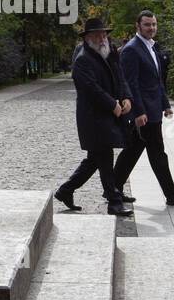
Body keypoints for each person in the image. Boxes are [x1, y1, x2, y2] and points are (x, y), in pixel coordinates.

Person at [113, 9, 174, 207]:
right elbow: (130, 84)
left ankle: (113, 188)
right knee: (157, 153)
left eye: (154, 24)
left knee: (132, 151)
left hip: (153, 110)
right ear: (138, 26)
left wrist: (166, 105)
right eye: (147, 25)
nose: (151, 28)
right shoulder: (132, 49)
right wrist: (138, 112)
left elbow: (157, 80)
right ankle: (172, 194)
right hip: (144, 114)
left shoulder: (152, 47)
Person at [55, 17, 136, 216]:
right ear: (88, 37)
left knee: (95, 159)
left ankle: (65, 190)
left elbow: (120, 77)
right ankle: (114, 202)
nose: (102, 38)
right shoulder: (82, 59)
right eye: (97, 34)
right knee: (105, 158)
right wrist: (113, 105)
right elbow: (91, 89)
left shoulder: (110, 52)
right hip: (93, 118)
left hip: (109, 115)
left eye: (104, 34)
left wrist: (126, 97)